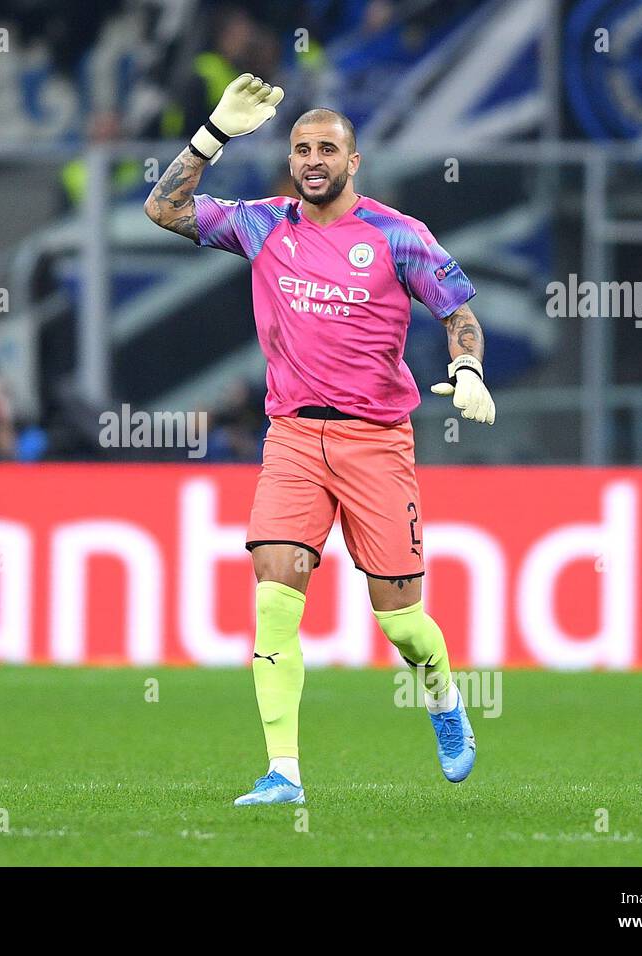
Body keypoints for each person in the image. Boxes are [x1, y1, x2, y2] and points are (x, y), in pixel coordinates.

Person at [144, 74, 495, 806]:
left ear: (353, 162)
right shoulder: (264, 222)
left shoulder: (399, 235)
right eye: (301, 148)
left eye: (326, 148)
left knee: (401, 622)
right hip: (293, 439)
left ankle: (443, 701)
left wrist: (466, 367)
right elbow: (162, 207)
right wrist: (213, 133)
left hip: (377, 442)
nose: (312, 159)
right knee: (275, 592)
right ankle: (284, 773)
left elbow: (458, 311)